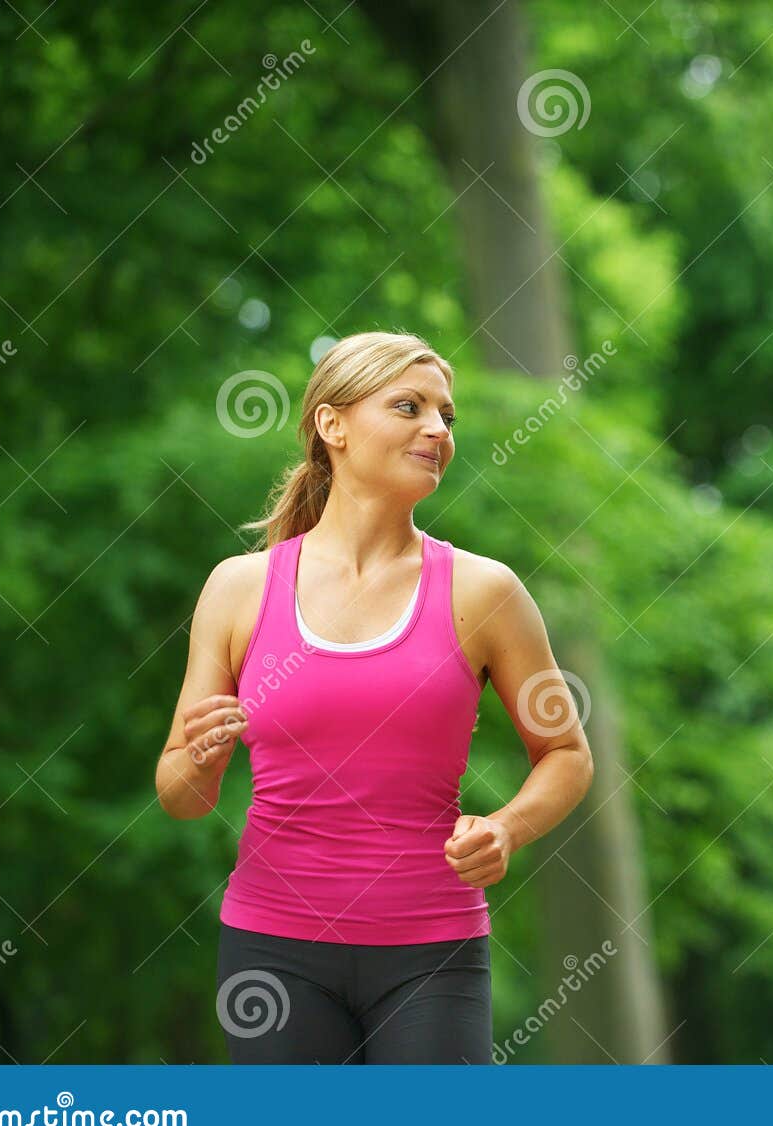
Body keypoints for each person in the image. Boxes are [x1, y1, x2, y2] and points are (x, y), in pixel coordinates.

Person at [153, 330, 594, 1063]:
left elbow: (567, 753)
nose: (438, 430)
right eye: (410, 406)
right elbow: (180, 794)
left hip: (434, 952)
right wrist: (200, 759)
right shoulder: (240, 588)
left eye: (447, 416)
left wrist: (508, 828)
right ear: (334, 426)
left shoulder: (485, 592)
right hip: (274, 949)